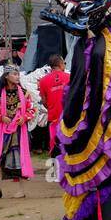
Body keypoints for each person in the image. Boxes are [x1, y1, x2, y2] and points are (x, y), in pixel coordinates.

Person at [0, 67, 36, 199]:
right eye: (14, 74)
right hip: (2, 133)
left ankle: (21, 191)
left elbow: (32, 109)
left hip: (19, 132)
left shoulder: (25, 93)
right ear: (6, 76)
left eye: (18, 74)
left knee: (20, 160)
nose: (17, 77)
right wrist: (1, 117)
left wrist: (24, 117)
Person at [38, 54, 69, 183]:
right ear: (61, 64)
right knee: (69, 144)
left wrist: (51, 105)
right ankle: (70, 172)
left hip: (54, 118)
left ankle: (56, 174)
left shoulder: (43, 81)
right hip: (68, 117)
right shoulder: (69, 77)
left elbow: (43, 101)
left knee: (55, 145)